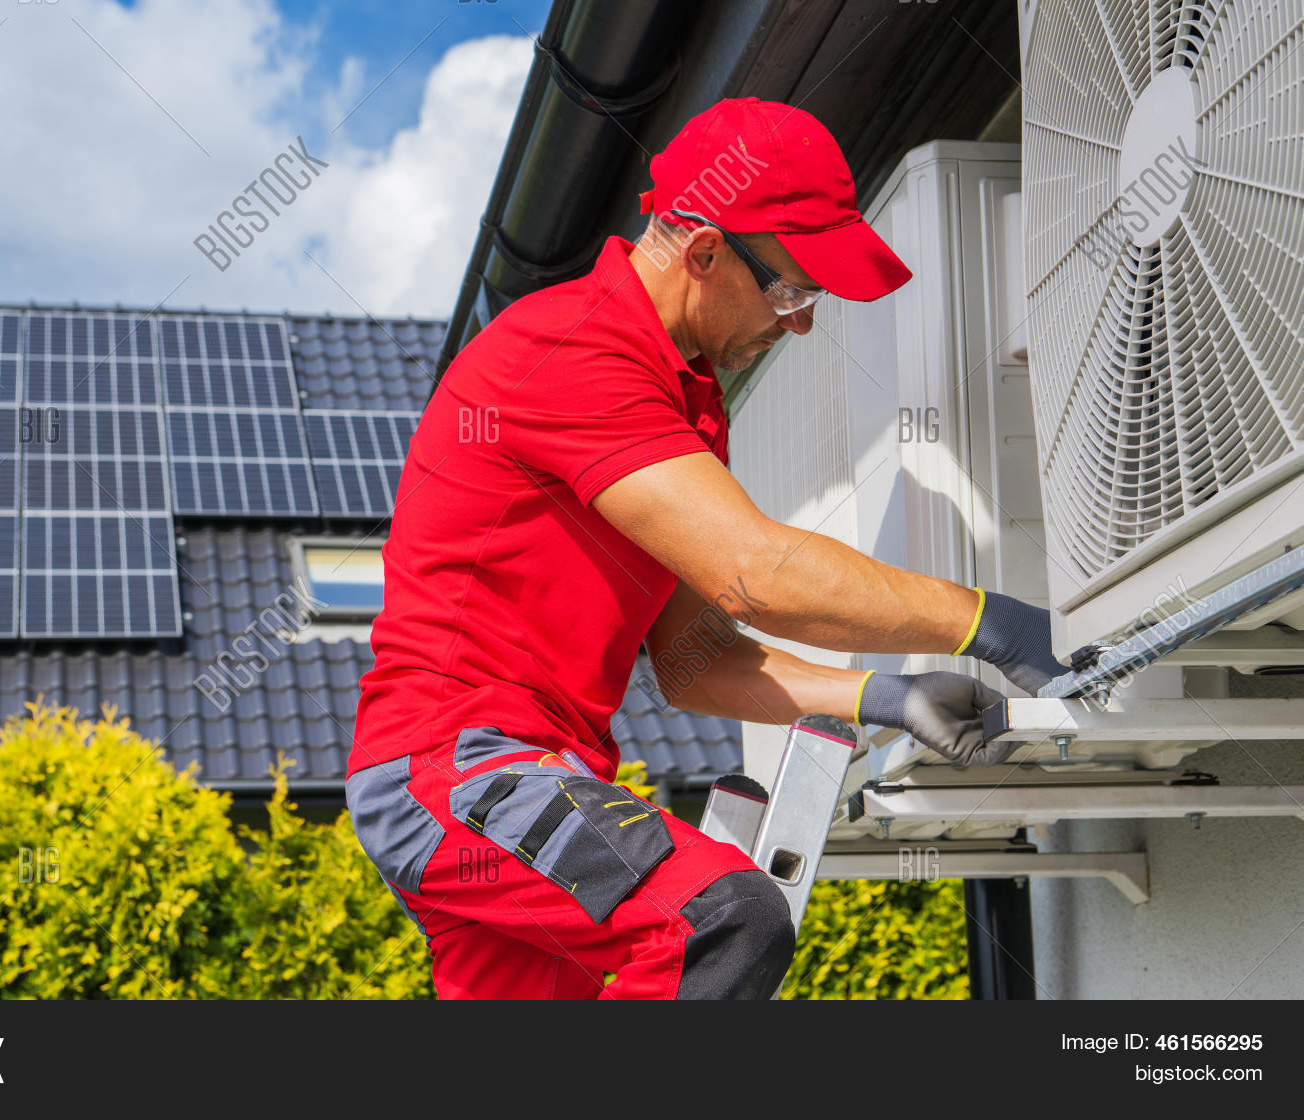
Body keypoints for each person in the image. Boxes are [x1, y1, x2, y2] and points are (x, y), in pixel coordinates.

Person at [347, 98, 1065, 999]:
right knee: (720, 918)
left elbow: (695, 661)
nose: (800, 323)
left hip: (531, 776)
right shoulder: (573, 350)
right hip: (460, 767)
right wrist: (988, 622)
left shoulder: (681, 396)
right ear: (705, 251)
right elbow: (753, 573)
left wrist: (890, 694)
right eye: (793, 291)